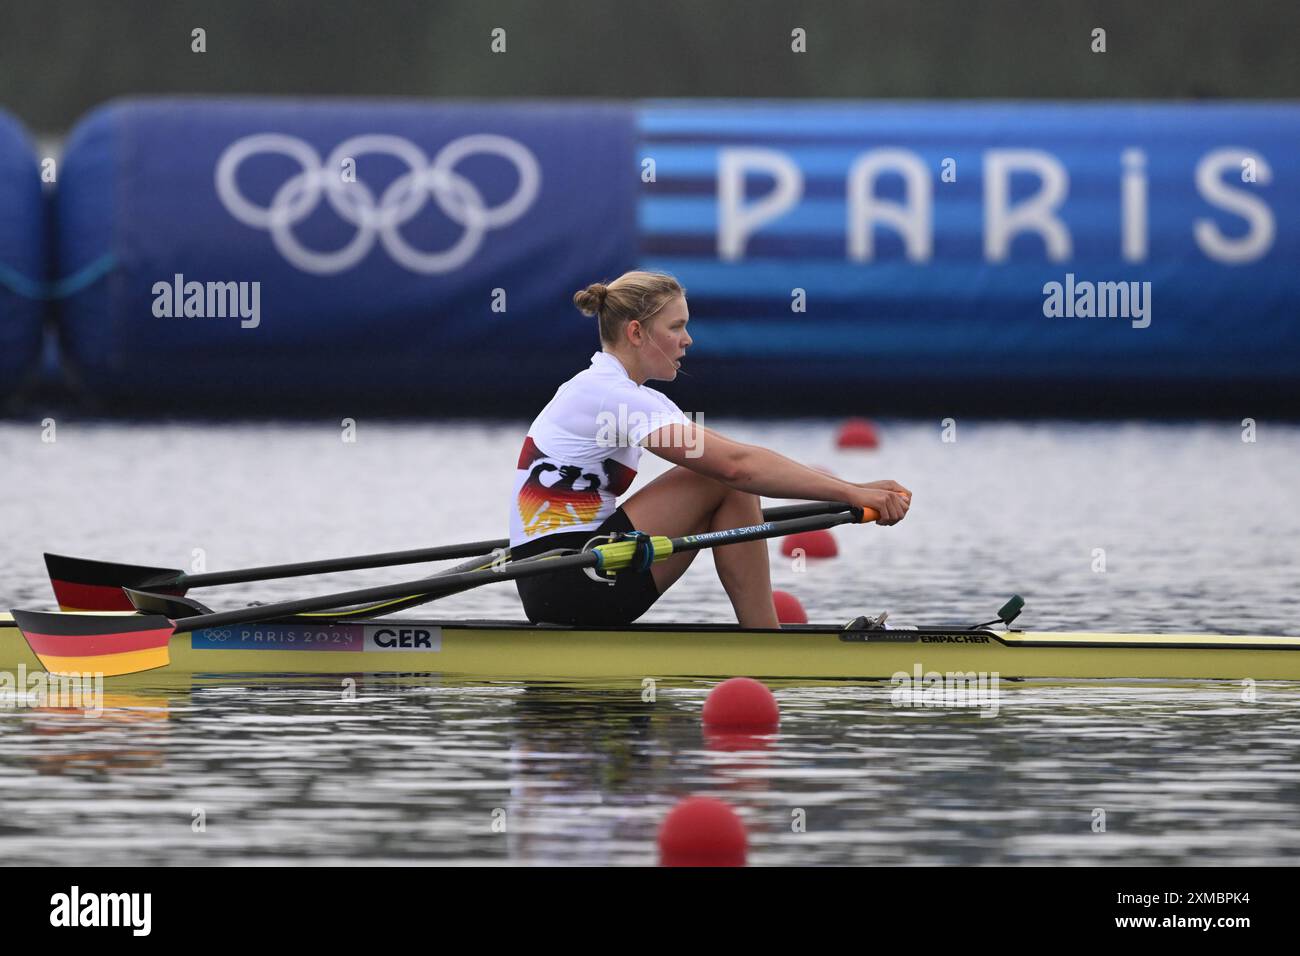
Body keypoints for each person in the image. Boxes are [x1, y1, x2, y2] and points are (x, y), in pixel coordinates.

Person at [508, 270, 910, 628]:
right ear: (636, 333)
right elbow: (736, 467)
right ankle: (766, 641)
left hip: (572, 572)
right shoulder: (612, 397)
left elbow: (740, 454)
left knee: (728, 477)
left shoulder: (618, 392)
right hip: (570, 578)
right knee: (721, 479)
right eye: (677, 326)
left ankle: (763, 636)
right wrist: (850, 493)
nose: (688, 339)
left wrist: (853, 487)